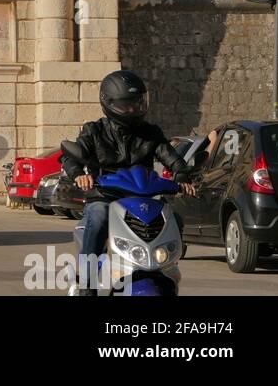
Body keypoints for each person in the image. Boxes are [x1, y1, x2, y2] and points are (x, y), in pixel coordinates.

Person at [61, 70, 196, 295]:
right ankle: (88, 282)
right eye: (127, 104)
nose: (134, 108)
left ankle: (167, 266)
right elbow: (71, 156)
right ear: (109, 103)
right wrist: (78, 174)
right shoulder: (94, 130)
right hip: (105, 196)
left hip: (142, 198)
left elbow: (170, 156)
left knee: (175, 217)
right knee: (98, 215)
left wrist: (182, 175)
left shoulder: (150, 133)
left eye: (137, 102)